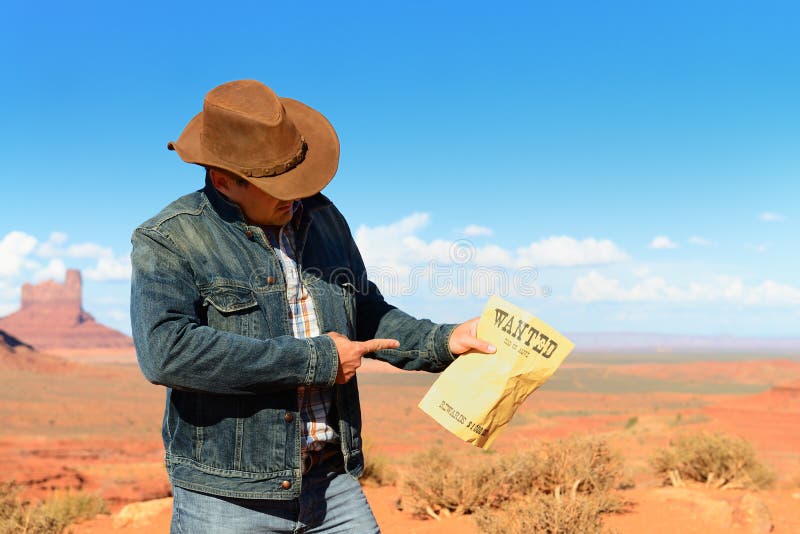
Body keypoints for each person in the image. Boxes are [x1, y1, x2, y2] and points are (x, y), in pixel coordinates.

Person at [130, 79, 495, 533]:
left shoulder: (322, 219)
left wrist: (444, 339)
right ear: (223, 181)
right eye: (278, 185)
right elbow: (167, 351)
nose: (296, 194)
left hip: (330, 479)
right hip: (226, 494)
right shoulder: (169, 239)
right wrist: (315, 361)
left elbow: (365, 310)